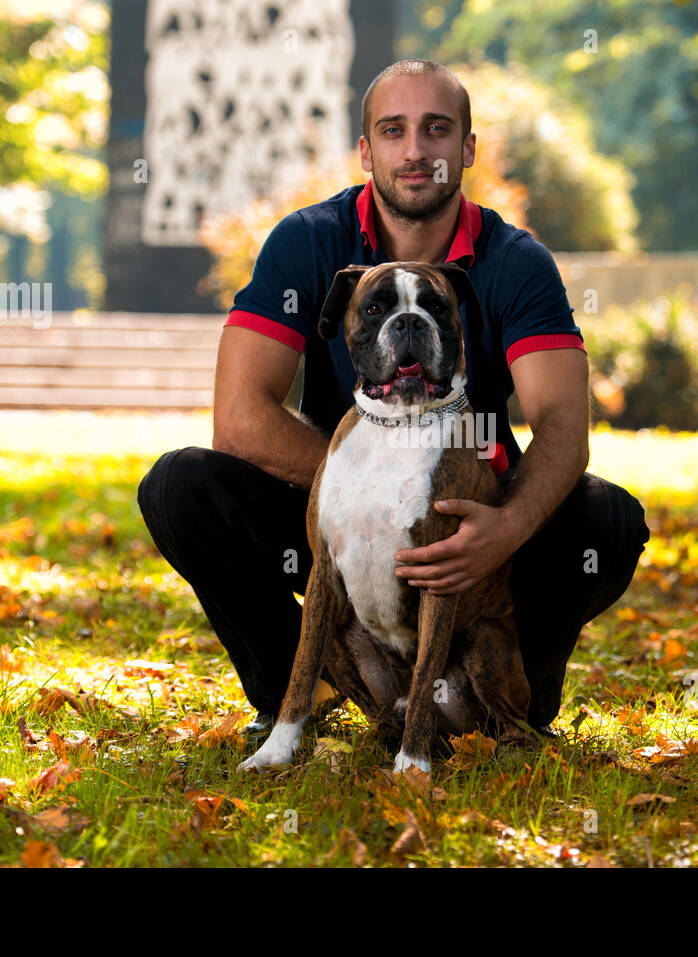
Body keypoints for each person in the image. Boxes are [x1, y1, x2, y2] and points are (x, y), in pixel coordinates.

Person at [138, 59, 650, 739]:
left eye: (437, 130)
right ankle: (305, 689)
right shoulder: (308, 241)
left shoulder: (515, 261)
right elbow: (239, 417)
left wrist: (504, 527)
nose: (416, 151)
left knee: (605, 516)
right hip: (332, 506)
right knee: (180, 483)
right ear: (366, 150)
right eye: (394, 130)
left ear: (467, 149)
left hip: (470, 511)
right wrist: (366, 493)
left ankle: (509, 695)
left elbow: (563, 424)